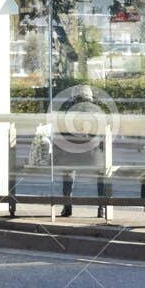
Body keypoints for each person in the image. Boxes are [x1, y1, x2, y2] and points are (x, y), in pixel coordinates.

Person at [55, 84, 110, 219]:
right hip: (93, 156)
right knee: (102, 174)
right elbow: (105, 136)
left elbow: (61, 136)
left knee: (67, 173)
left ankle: (67, 207)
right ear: (89, 97)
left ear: (74, 97)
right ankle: (101, 208)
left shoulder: (68, 112)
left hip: (71, 155)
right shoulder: (99, 112)